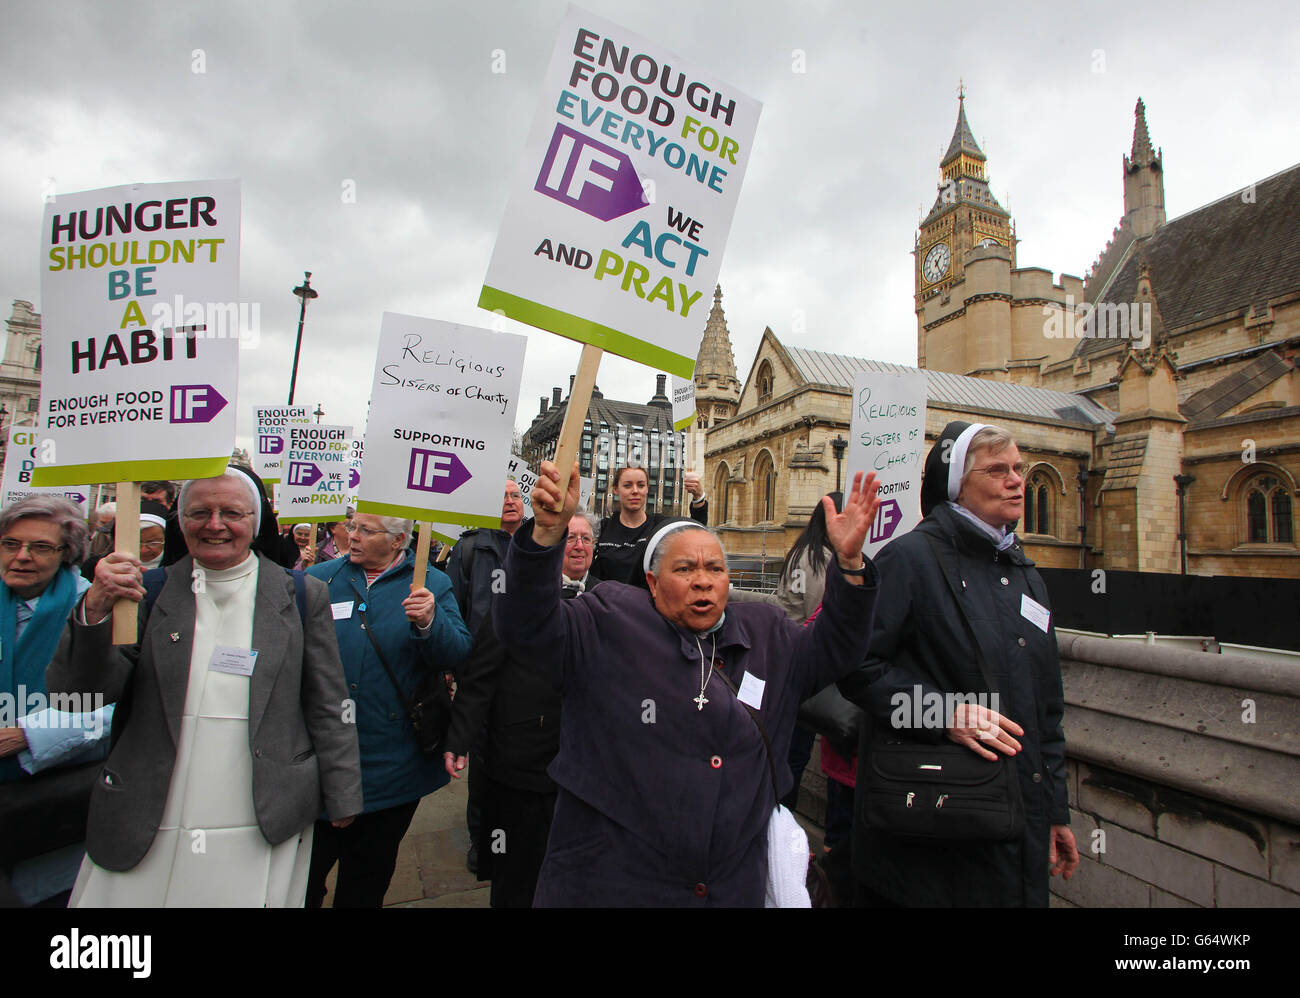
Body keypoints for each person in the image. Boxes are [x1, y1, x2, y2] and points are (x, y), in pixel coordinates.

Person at [493, 460, 881, 906]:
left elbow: (837, 649)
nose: (703, 580)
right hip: (613, 880)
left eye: (715, 569)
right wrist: (544, 537)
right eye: (685, 569)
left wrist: (849, 567)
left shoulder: (768, 632)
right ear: (653, 583)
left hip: (729, 886)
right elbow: (525, 627)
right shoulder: (607, 619)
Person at [46, 467, 363, 907]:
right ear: (181, 520)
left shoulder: (302, 594)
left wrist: (343, 791)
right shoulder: (145, 591)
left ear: (255, 522)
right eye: (200, 512)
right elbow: (79, 694)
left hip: (260, 807)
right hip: (151, 806)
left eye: (231, 512)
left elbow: (328, 700)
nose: (215, 525)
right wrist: (97, 605)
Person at [837, 421, 1079, 907]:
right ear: (957, 487)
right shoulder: (911, 558)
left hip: (1016, 824)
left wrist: (1053, 812)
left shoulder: (1025, 573)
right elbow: (856, 669)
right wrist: (942, 715)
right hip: (935, 827)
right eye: (997, 470)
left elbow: (1046, 708)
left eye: (1018, 468)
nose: (1016, 480)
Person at [305, 513, 471, 907]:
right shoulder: (320, 579)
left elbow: (458, 654)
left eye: (365, 530)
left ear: (398, 541)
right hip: (319, 764)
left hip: (391, 767)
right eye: (351, 526)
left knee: (366, 881)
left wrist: (431, 622)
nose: (352, 535)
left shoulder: (431, 582)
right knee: (302, 883)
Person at [443, 511, 599, 907]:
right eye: (571, 538)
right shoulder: (514, 600)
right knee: (516, 877)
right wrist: (459, 737)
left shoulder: (609, 601)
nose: (578, 545)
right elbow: (479, 676)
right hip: (522, 767)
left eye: (586, 539)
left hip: (585, 769)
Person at [0, 497, 109, 906]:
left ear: (68, 554)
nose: (22, 557)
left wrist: (26, 735)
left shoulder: (96, 608)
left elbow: (119, 702)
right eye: (11, 544)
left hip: (54, 805)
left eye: (41, 547)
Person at [445, 478, 527, 874]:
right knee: (480, 761)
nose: (510, 502)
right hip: (480, 677)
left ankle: (517, 837)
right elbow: (455, 612)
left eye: (515, 496)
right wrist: (458, 670)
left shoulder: (537, 544)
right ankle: (482, 842)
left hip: (526, 677)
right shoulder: (467, 549)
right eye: (502, 496)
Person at [588, 464, 708, 587]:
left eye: (640, 485)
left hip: (647, 604)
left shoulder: (660, 527)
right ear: (616, 489)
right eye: (627, 485)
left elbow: (696, 533)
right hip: (606, 603)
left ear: (647, 489)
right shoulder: (601, 528)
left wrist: (698, 496)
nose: (635, 491)